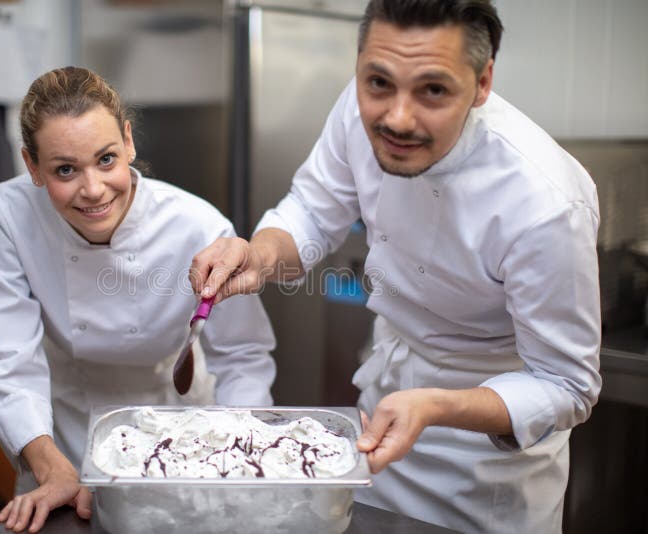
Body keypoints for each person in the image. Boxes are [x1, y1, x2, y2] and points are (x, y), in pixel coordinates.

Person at [190, 1, 601, 532]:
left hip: (487, 471)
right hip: (378, 423)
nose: (397, 118)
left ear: (482, 83)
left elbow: (566, 384)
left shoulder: (545, 204)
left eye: (433, 90)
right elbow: (313, 210)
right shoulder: (362, 110)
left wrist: (433, 406)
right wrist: (258, 253)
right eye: (377, 82)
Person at [0, 66, 276, 533]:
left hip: (182, 446)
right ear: (32, 166)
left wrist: (230, 458)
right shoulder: (8, 214)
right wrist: (52, 468)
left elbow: (243, 356)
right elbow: (7, 359)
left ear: (128, 142)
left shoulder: (196, 225)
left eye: (107, 159)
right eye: (65, 170)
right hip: (59, 442)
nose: (93, 189)